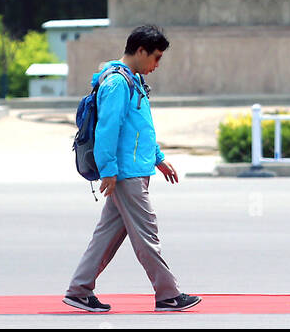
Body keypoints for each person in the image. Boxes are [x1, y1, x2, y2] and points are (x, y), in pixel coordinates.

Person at [63, 25, 200, 313]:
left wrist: (158, 158)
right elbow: (108, 130)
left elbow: (137, 129)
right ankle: (168, 294)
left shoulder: (131, 80)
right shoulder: (117, 83)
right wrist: (109, 171)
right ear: (140, 51)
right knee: (146, 234)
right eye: (156, 57)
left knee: (107, 235)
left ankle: (79, 290)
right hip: (125, 175)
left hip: (132, 169)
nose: (157, 65)